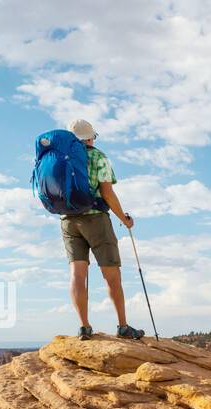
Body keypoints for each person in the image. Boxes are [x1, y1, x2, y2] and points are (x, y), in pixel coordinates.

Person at [60, 119, 145, 341]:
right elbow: (107, 193)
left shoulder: (59, 157)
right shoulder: (97, 157)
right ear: (90, 137)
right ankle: (123, 326)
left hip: (68, 220)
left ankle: (84, 327)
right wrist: (124, 218)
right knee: (111, 274)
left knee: (77, 274)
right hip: (96, 219)